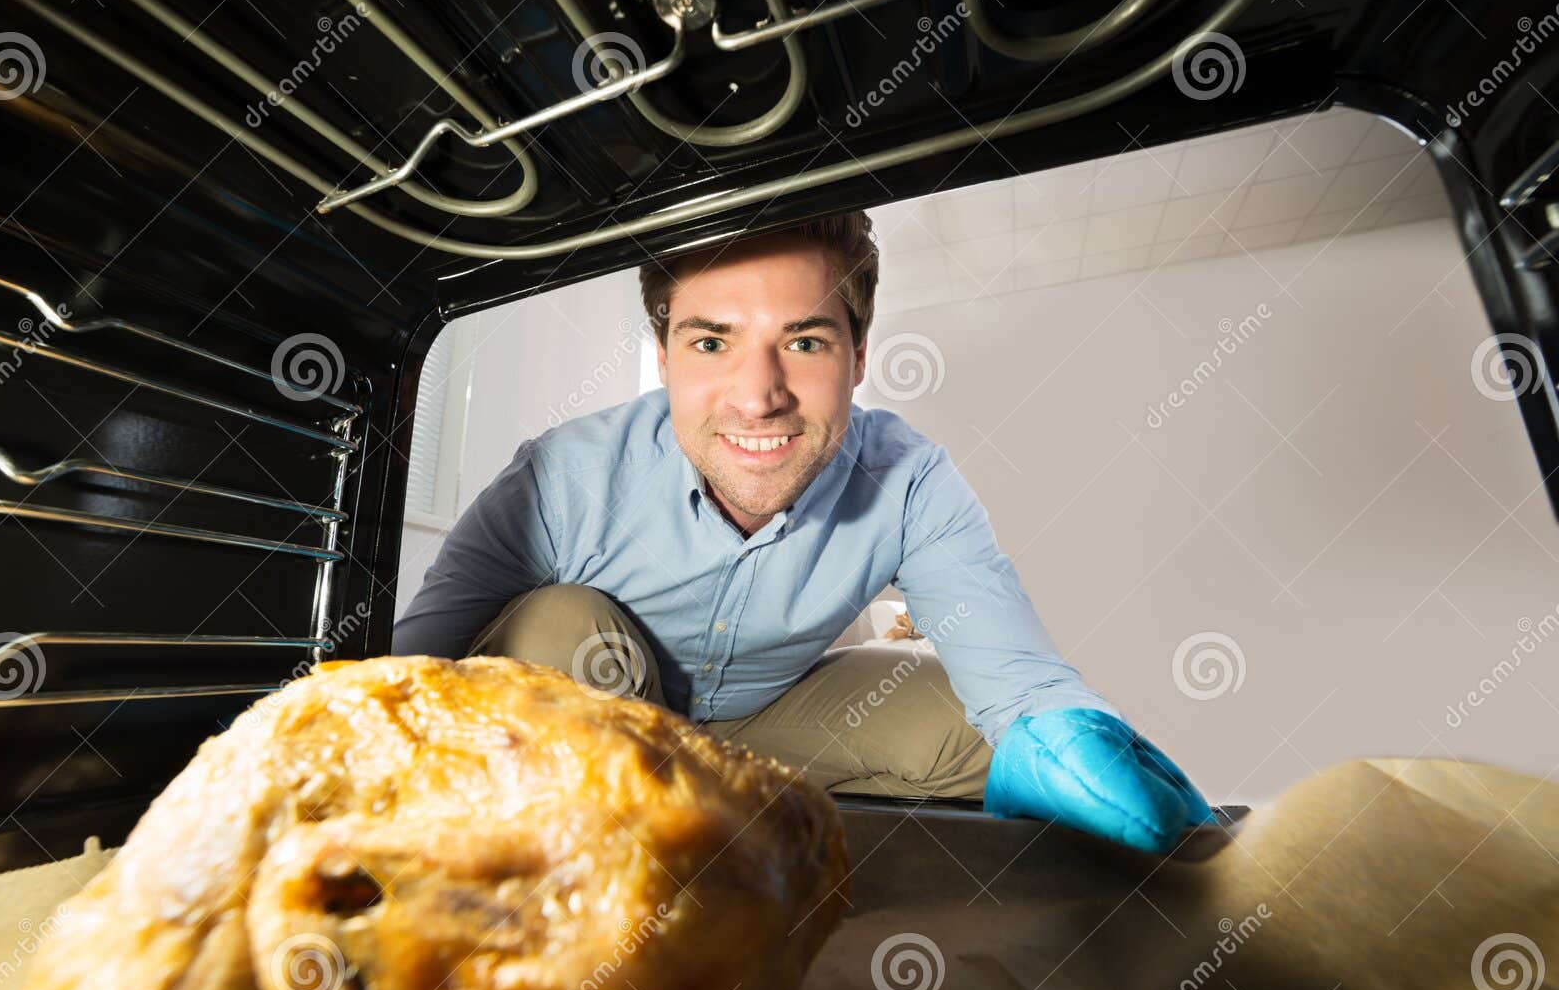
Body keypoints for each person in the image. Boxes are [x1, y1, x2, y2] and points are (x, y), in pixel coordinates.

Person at [393, 211, 1215, 852]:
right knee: (561, 622)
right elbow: (403, 670)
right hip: (592, 726)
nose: (759, 397)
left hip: (766, 726)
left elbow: (1020, 681)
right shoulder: (560, 475)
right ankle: (600, 860)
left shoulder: (911, 478)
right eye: (712, 341)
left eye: (806, 341)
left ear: (858, 355)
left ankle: (702, 811)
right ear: (665, 354)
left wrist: (1066, 738)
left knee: (981, 724)